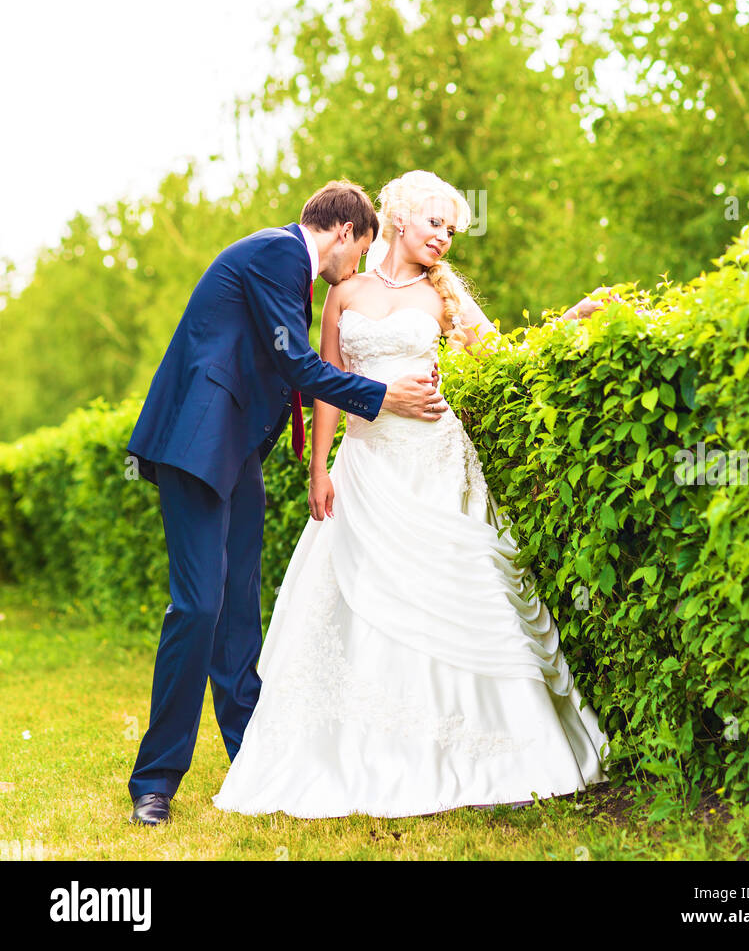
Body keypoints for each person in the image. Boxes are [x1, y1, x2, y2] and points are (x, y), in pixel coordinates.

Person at [213, 170, 611, 819]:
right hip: (368, 468)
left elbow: (501, 354)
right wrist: (320, 469)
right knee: (364, 605)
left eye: (453, 229)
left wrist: (571, 320)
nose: (444, 238)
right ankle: (366, 750)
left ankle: (480, 749)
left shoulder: (443, 296)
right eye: (435, 223)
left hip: (435, 464)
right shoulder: (344, 294)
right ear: (399, 219)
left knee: (452, 591)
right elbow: (326, 387)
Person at [126, 180, 448, 826]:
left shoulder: (281, 264)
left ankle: (250, 755)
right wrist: (383, 397)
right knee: (199, 606)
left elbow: (276, 367)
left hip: (235, 449)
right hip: (197, 443)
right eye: (359, 253)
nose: (352, 272)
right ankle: (155, 780)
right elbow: (296, 363)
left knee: (240, 607)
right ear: (344, 233)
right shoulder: (278, 253)